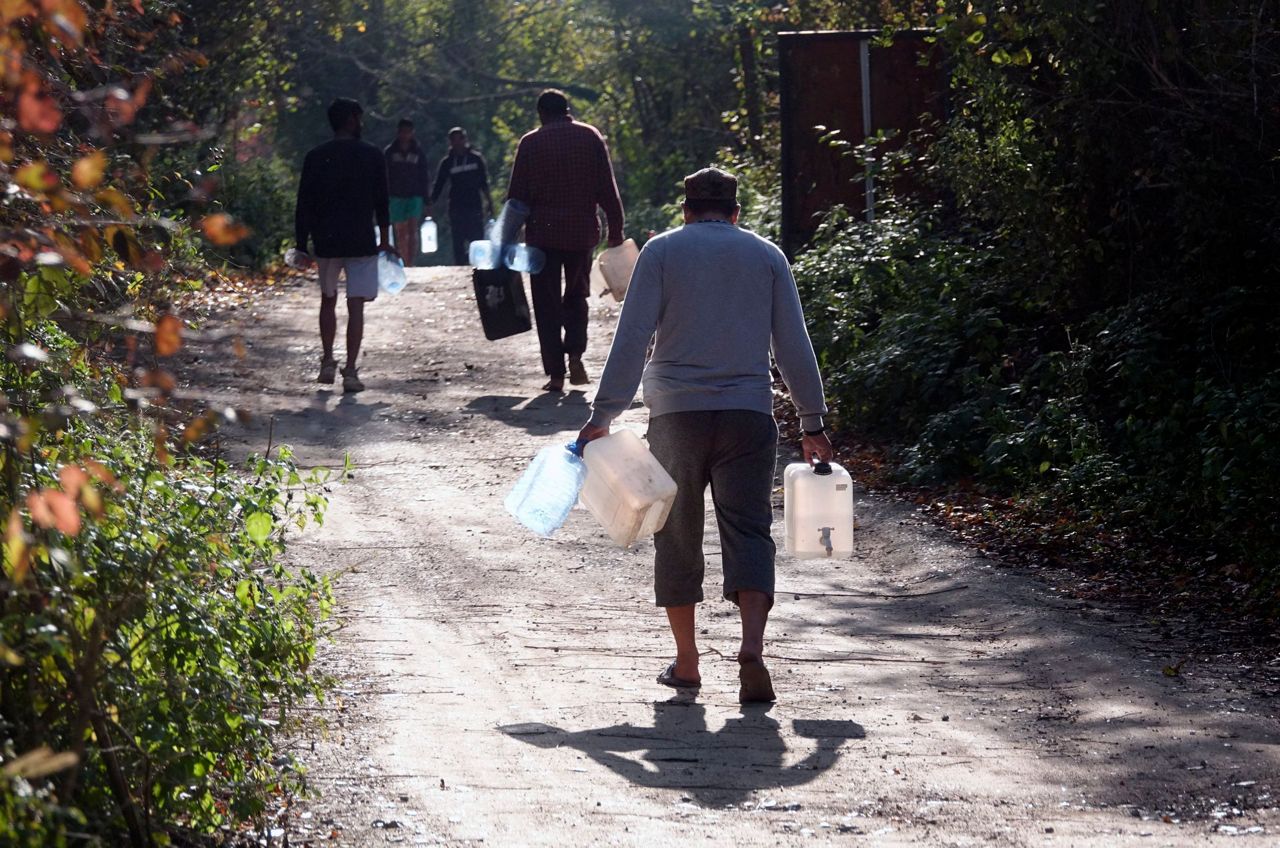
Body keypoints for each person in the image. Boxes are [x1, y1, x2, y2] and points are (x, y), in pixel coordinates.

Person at [576, 167, 833, 704]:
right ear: (736, 212)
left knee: (677, 532)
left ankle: (688, 662)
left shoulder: (663, 251)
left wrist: (605, 413)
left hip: (676, 414)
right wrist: (812, 422)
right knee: (749, 531)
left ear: (686, 210)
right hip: (747, 413)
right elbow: (793, 344)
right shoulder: (766, 256)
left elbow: (633, 336)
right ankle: (752, 650)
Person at [506, 89, 624, 393]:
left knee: (546, 304)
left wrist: (505, 240)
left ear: (542, 114)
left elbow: (517, 198)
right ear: (567, 110)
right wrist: (616, 230)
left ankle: (556, 375)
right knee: (576, 296)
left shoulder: (530, 142)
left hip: (542, 236)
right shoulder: (590, 137)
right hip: (580, 233)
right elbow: (606, 187)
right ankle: (574, 355)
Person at [294, 97, 393, 393]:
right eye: (359, 118)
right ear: (351, 119)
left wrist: (302, 244)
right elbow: (382, 201)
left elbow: (304, 204)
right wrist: (385, 240)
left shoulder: (316, 156)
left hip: (326, 240)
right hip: (361, 240)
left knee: (328, 298)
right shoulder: (372, 154)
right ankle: (350, 371)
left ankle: (327, 361)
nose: (361, 123)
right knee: (356, 305)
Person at [428, 127, 494, 265]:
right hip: (456, 206)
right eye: (454, 140)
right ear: (450, 142)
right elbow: (439, 184)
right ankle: (460, 267)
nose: (458, 143)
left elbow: (483, 182)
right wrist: (430, 203)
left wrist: (489, 201)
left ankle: (479, 265)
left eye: (460, 139)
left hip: (474, 204)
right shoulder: (447, 162)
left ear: (465, 140)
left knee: (477, 237)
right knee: (458, 239)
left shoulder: (476, 159)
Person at [383, 118, 431, 267]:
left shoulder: (418, 152)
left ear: (412, 133)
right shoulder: (390, 152)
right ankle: (403, 260)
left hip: (414, 195)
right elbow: (384, 175)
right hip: (396, 196)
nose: (405, 135)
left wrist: (427, 200)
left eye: (408, 132)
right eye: (403, 132)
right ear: (398, 133)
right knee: (401, 232)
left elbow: (424, 176)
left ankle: (411, 262)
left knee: (412, 229)